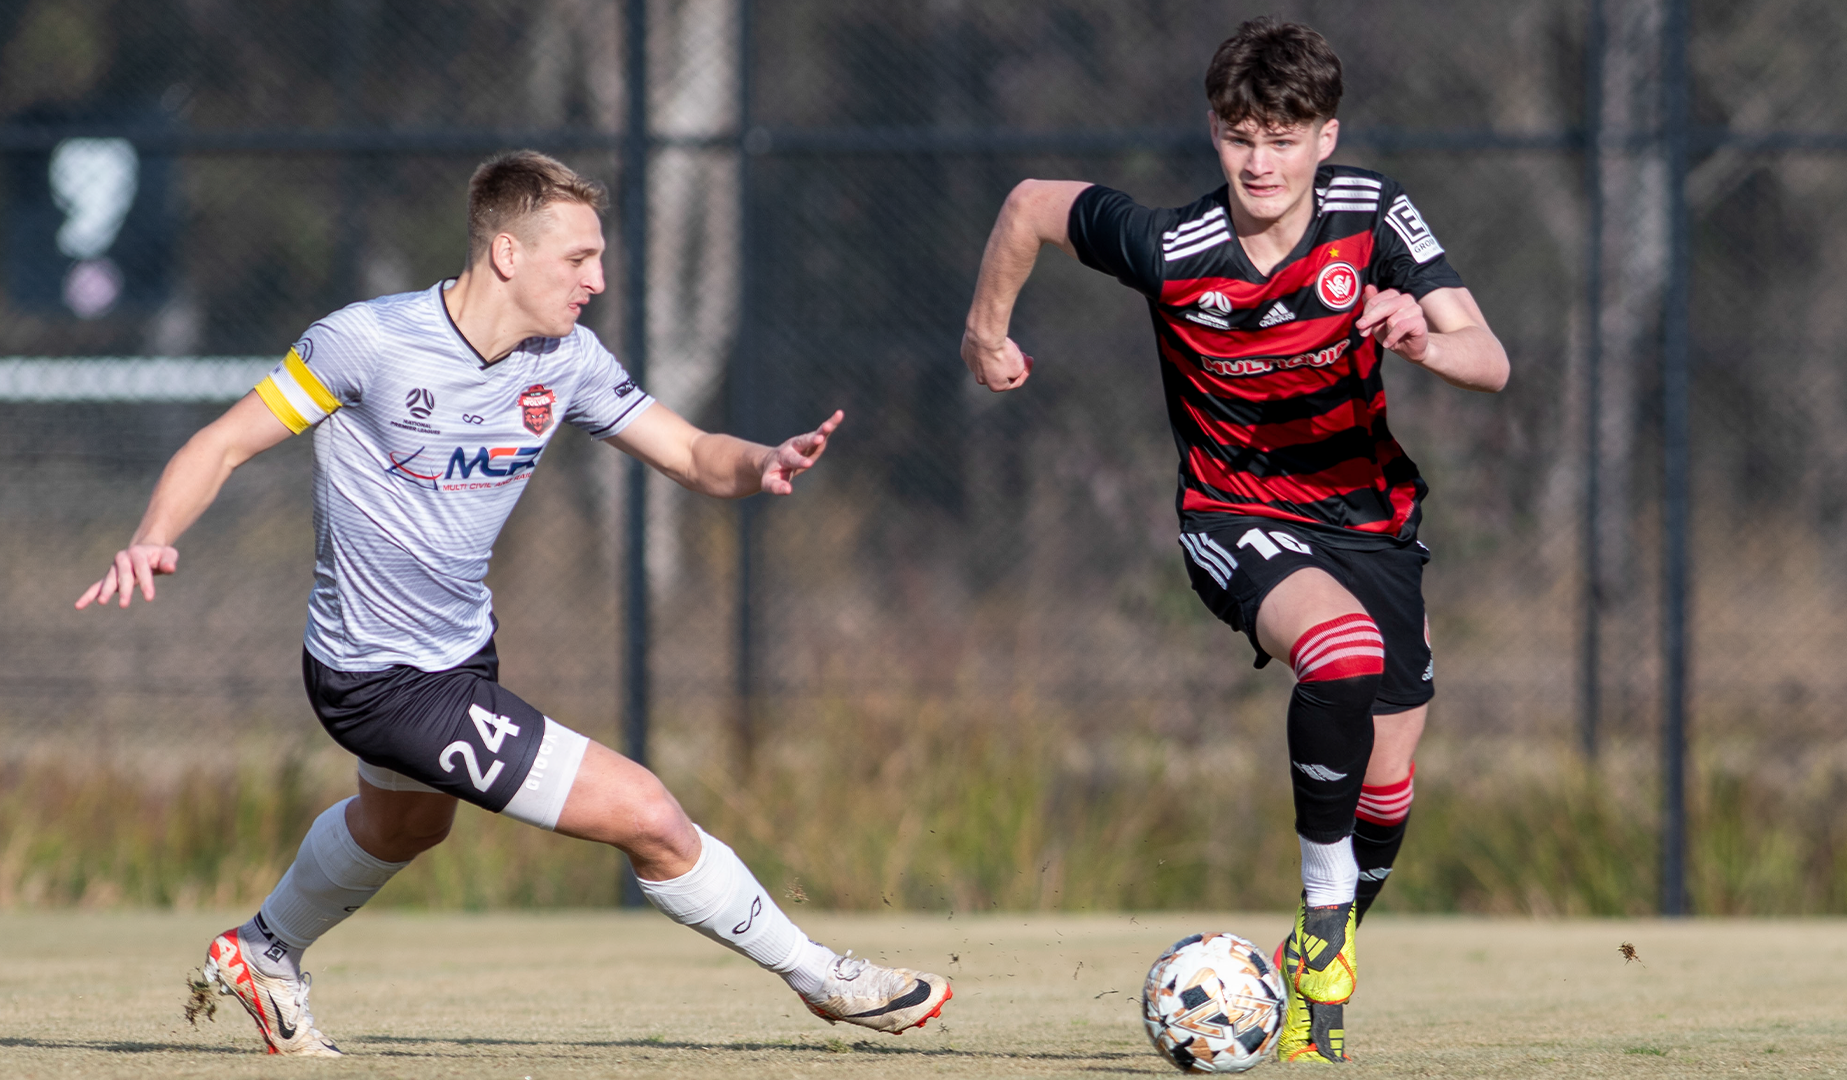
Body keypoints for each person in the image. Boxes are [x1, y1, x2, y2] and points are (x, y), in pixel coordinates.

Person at [77, 150, 951, 1056]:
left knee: (405, 823)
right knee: (650, 816)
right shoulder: (368, 342)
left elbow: (690, 453)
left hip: (460, 655)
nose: (597, 280)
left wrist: (761, 460)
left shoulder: (565, 360)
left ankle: (262, 951)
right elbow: (219, 445)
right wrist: (152, 535)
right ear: (505, 252)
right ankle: (825, 979)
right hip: (380, 679)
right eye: (577, 259)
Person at [960, 19, 1507, 1064]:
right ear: (1215, 134)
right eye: (1240, 135)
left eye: (1284, 138)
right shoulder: (1171, 249)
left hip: (1375, 521)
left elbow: (1490, 360)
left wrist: (1420, 335)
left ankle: (1311, 958)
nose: (1261, 161)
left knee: (1388, 784)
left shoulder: (1372, 212)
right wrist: (985, 334)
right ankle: (1327, 928)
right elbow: (1030, 205)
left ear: (1325, 138)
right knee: (1340, 655)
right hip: (1236, 516)